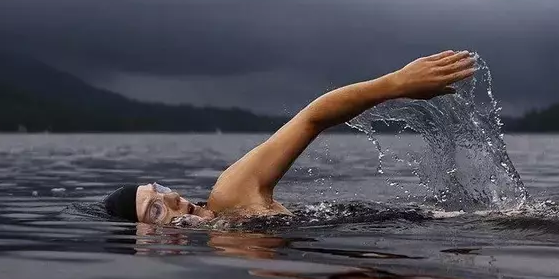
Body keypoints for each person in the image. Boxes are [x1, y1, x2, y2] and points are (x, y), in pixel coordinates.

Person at [105, 50, 478, 225]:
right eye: (155, 209)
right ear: (147, 241)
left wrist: (395, 84)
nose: (171, 197)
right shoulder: (225, 239)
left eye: (159, 189)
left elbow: (312, 118)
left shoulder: (230, 195)